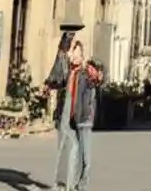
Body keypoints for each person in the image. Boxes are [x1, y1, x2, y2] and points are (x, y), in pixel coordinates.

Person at [44, 36, 102, 191]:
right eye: (72, 52)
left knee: (85, 158)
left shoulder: (86, 73)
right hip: (69, 118)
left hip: (83, 119)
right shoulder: (68, 72)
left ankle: (80, 186)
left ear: (82, 55)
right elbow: (56, 79)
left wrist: (96, 74)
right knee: (68, 151)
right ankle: (65, 185)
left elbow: (98, 79)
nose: (73, 55)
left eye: (75, 52)